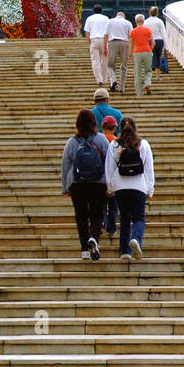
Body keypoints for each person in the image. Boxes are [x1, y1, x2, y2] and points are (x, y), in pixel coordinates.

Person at [61, 109, 110, 260]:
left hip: (77, 184)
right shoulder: (101, 139)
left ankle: (84, 251)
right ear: (94, 123)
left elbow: (65, 165)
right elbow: (108, 163)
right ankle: (94, 238)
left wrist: (65, 187)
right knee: (96, 214)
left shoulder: (71, 142)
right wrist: (109, 184)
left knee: (81, 217)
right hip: (98, 183)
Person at [106, 115, 154, 261]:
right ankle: (136, 240)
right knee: (139, 217)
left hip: (120, 187)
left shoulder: (114, 145)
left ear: (120, 128)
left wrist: (110, 188)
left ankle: (124, 251)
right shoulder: (143, 144)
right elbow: (148, 168)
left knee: (125, 218)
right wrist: (149, 189)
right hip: (139, 185)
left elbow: (109, 168)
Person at [99, 113, 118, 240]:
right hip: (112, 178)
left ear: (102, 127)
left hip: (99, 177)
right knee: (113, 206)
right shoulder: (116, 141)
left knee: (101, 204)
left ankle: (100, 224)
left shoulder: (99, 139)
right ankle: (111, 228)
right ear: (114, 127)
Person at [83, 4, 111, 86]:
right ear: (101, 11)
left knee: (95, 61)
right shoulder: (106, 18)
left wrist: (89, 42)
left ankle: (99, 80)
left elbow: (87, 32)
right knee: (105, 61)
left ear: (93, 11)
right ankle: (105, 79)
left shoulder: (89, 18)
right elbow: (108, 32)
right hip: (104, 40)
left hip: (94, 39)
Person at [105, 11, 132, 91]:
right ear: (124, 17)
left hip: (112, 43)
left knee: (110, 65)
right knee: (123, 66)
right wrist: (131, 49)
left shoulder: (110, 21)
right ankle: (122, 87)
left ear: (117, 15)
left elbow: (106, 35)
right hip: (124, 43)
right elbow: (131, 36)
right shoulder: (128, 23)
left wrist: (104, 48)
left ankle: (113, 81)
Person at [129, 14, 154, 96]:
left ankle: (139, 93)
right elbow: (153, 42)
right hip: (147, 50)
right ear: (143, 21)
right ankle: (147, 83)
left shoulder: (133, 32)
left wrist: (131, 54)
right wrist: (150, 50)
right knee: (148, 70)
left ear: (135, 21)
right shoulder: (148, 30)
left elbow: (131, 44)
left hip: (137, 52)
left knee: (138, 73)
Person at [145, 6, 169, 78]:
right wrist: (166, 46)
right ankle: (157, 75)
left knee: (152, 55)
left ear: (150, 12)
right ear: (157, 13)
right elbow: (163, 33)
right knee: (158, 57)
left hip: (150, 40)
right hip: (159, 40)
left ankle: (152, 66)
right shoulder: (159, 21)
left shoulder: (146, 22)